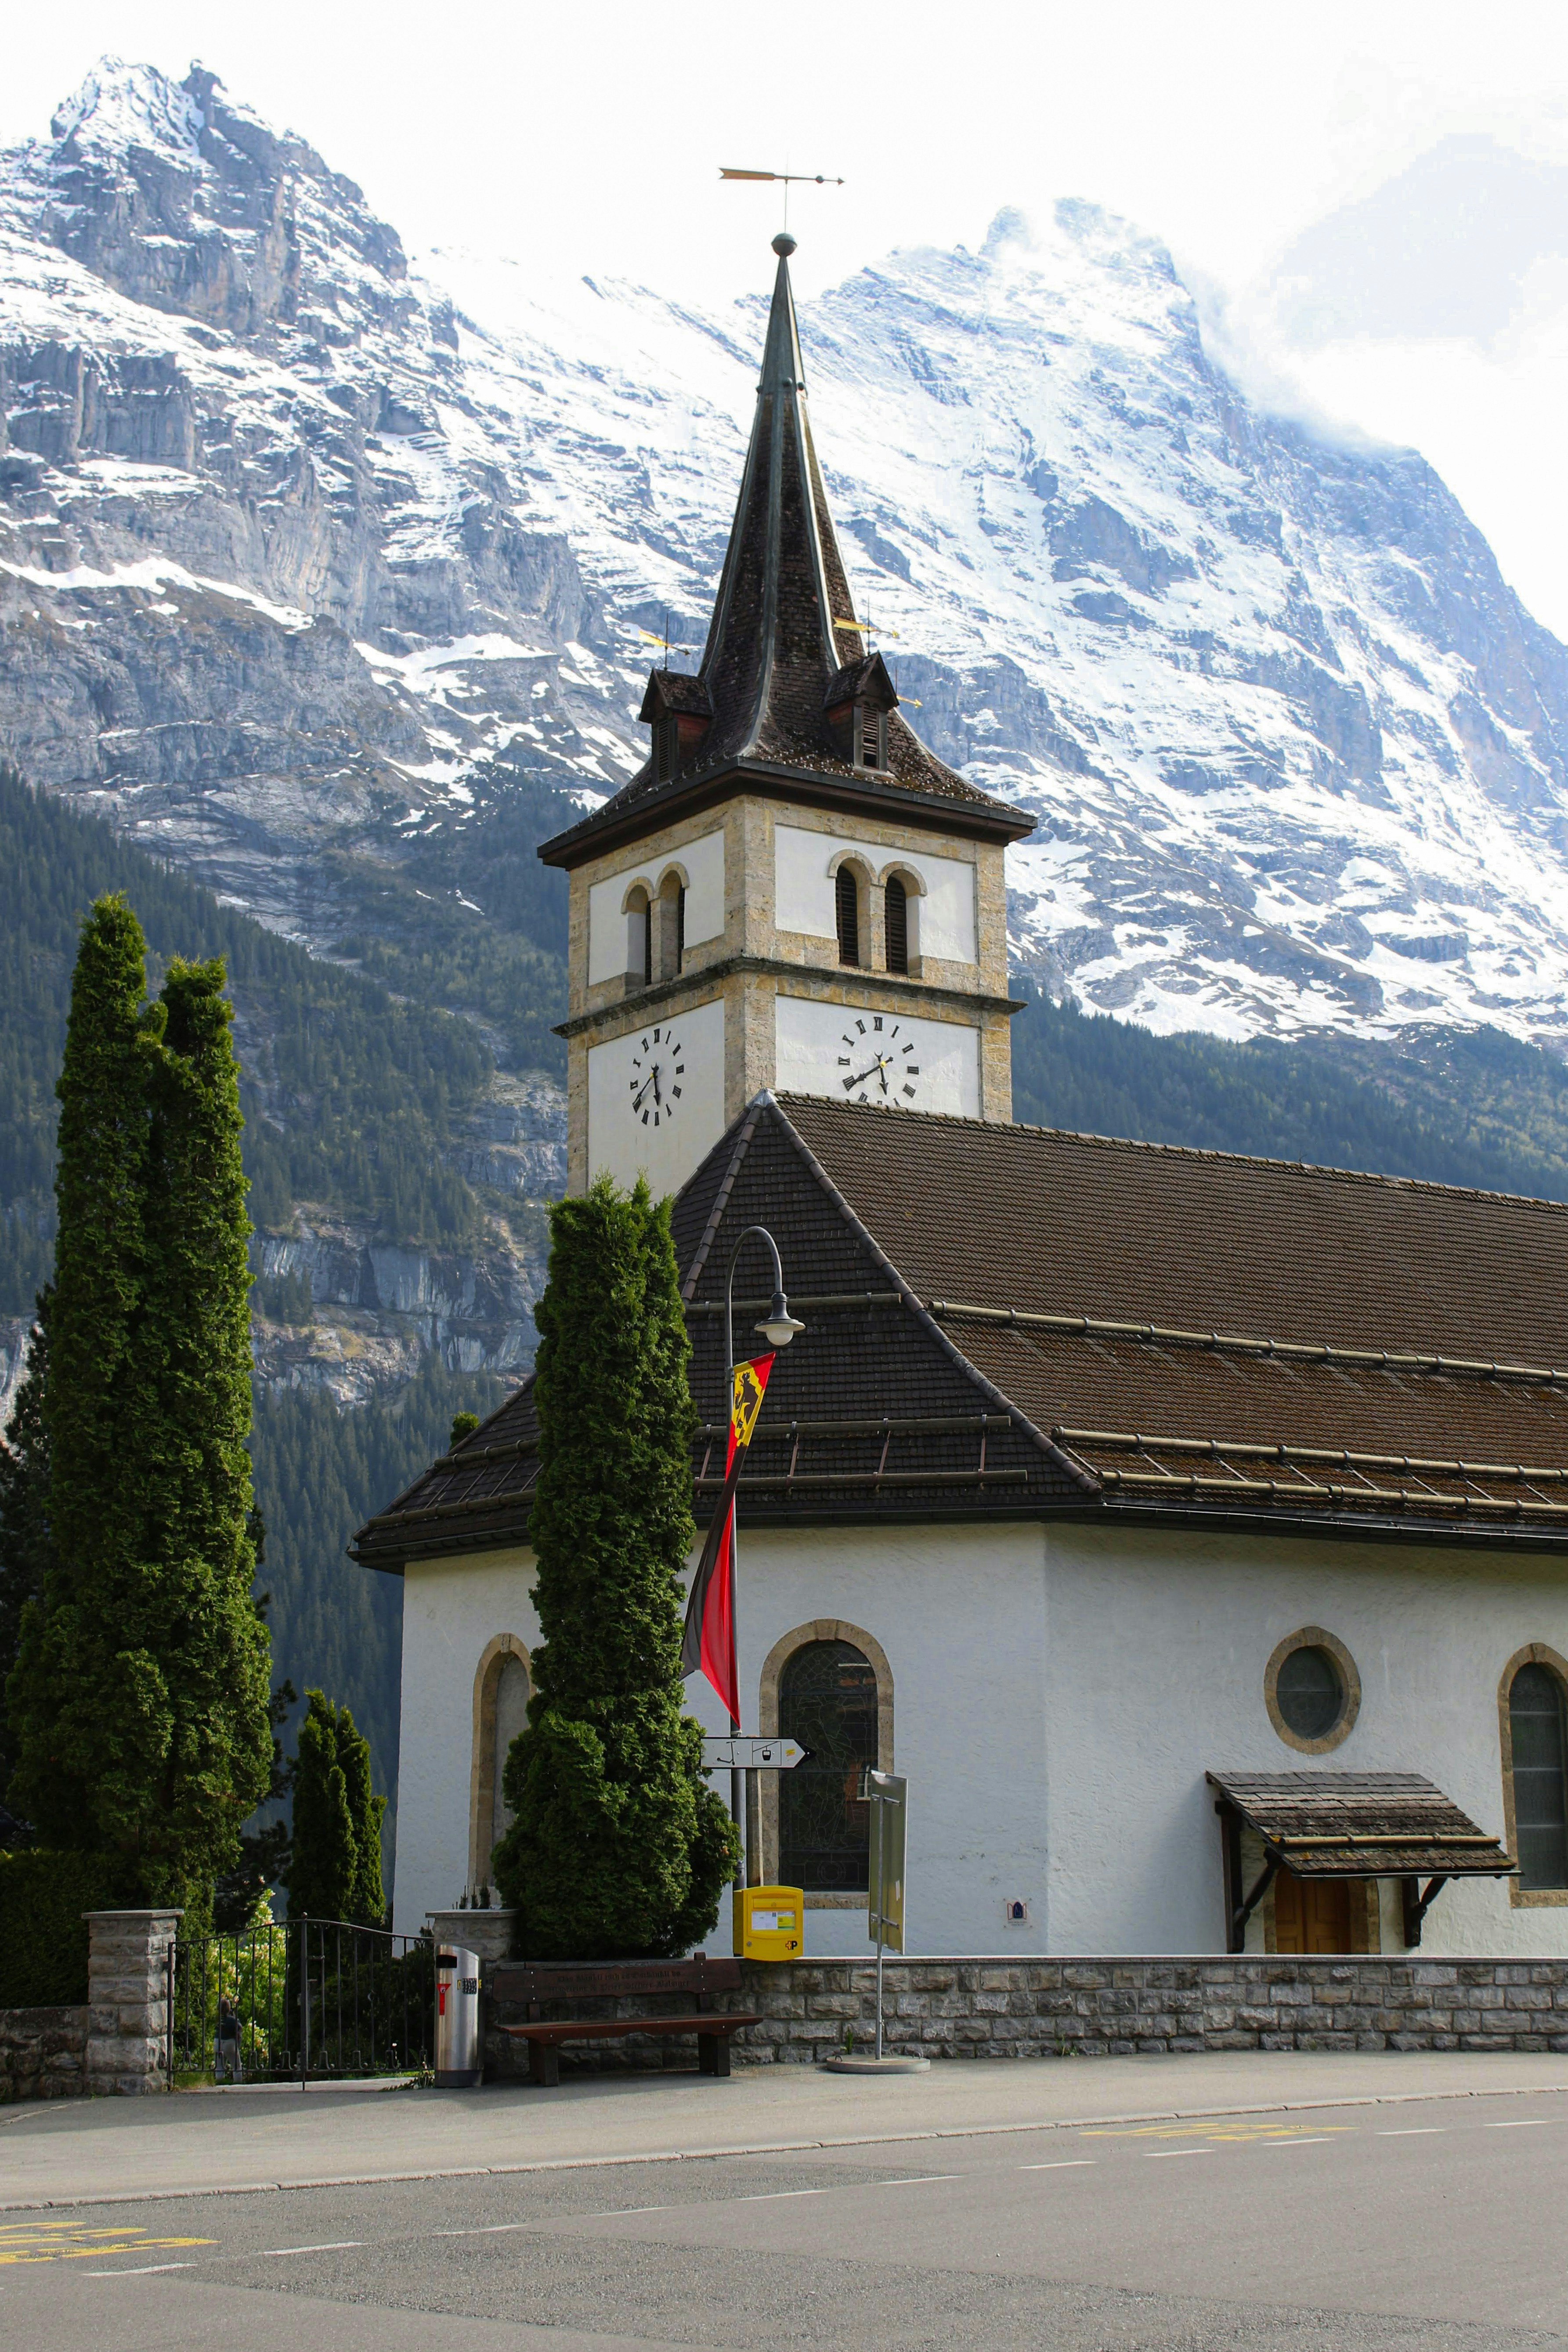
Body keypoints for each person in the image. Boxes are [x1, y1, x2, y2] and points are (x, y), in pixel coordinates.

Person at [214, 1998, 242, 2083]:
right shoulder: (232, 2020)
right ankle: (238, 2084)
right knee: (237, 2067)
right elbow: (240, 2029)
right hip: (230, 2043)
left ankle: (219, 2083)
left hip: (217, 2042)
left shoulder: (216, 2019)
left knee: (219, 2067)